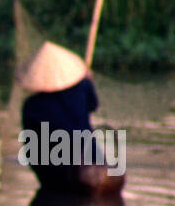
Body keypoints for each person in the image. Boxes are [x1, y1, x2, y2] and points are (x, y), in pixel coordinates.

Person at [18, 41, 123, 193]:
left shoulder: (31, 106)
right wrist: (88, 81)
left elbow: (31, 148)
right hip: (92, 160)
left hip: (63, 170)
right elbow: (93, 105)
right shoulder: (83, 86)